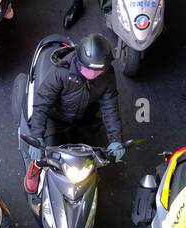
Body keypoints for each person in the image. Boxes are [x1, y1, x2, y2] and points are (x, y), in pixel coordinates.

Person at [23, 34, 125, 194]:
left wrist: (116, 139)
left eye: (98, 70)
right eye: (87, 69)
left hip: (84, 118)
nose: (92, 74)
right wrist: (36, 136)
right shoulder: (61, 72)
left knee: (89, 158)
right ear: (79, 61)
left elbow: (110, 107)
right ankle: (35, 165)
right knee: (45, 153)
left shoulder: (107, 76)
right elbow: (42, 102)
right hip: (55, 117)